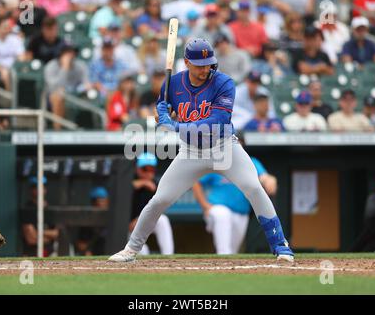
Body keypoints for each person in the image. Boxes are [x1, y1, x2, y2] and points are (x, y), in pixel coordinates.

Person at [109, 38, 294, 263]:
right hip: (191, 151)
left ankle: (281, 246)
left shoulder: (224, 83)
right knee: (159, 199)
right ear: (187, 62)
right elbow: (161, 104)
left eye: (209, 63)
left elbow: (218, 120)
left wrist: (175, 125)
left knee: (254, 187)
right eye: (200, 64)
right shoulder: (173, 83)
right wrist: (163, 111)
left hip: (223, 146)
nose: (206, 69)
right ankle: (131, 249)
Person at [192, 157, 277, 254]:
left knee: (232, 251)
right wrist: (205, 206)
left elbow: (264, 177)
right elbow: (196, 182)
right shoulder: (217, 162)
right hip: (217, 208)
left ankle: (224, 265)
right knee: (222, 216)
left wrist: (270, 180)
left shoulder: (250, 162)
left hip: (241, 212)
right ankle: (222, 253)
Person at [130, 153, 174, 255]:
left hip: (141, 223)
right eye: (145, 169)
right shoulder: (127, 180)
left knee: (163, 220)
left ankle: (168, 256)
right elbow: (122, 189)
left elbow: (160, 207)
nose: (148, 173)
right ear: (137, 169)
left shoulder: (155, 185)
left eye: (151, 170)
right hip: (127, 230)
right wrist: (141, 183)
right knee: (143, 251)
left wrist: (139, 219)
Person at [44, 43, 91, 130]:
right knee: (57, 96)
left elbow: (86, 84)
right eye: (66, 52)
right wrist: (64, 68)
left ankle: (89, 128)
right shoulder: (51, 66)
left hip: (75, 97)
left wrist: (84, 87)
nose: (69, 55)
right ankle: (57, 130)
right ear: (60, 54)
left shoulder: (80, 66)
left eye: (71, 52)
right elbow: (54, 88)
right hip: (55, 99)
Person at [22, 176, 60, 257]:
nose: (39, 190)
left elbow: (56, 234)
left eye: (42, 187)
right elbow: (31, 239)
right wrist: (49, 237)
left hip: (50, 254)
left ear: (45, 189)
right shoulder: (28, 208)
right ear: (31, 190)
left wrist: (38, 232)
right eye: (36, 187)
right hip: (31, 254)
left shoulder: (50, 208)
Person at [75, 186, 109, 256]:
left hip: (110, 253)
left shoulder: (112, 217)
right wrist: (86, 252)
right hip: (93, 254)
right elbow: (81, 243)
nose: (103, 203)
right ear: (93, 202)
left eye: (104, 200)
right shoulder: (87, 220)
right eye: (100, 200)